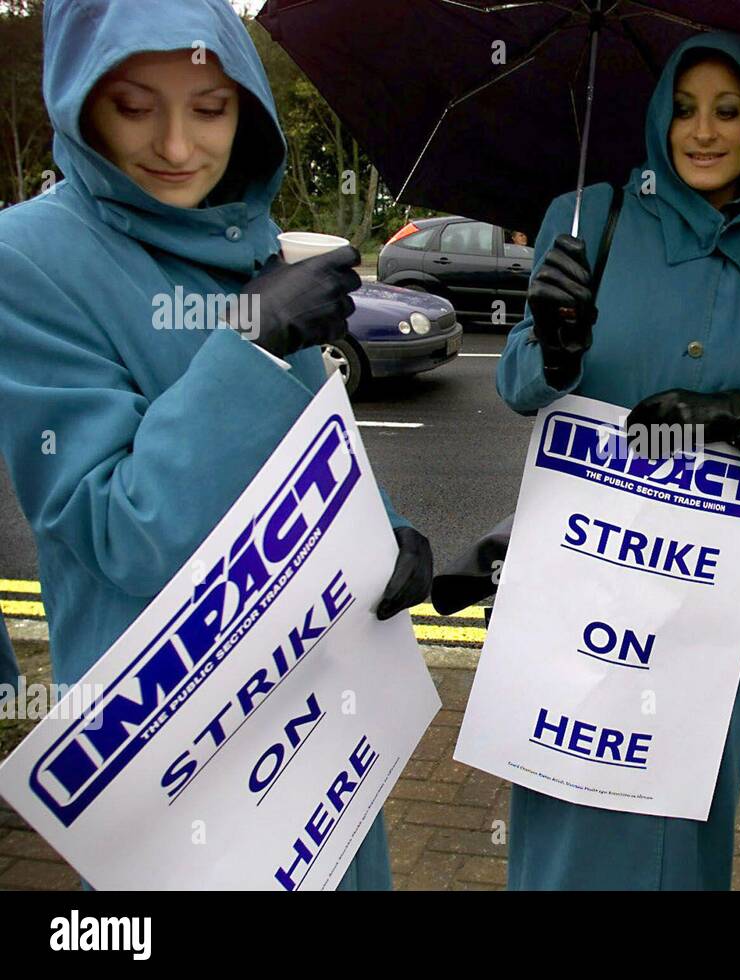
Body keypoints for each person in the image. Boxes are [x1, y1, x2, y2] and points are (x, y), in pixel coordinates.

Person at [0, 0, 434, 889]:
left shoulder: (246, 237)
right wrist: (243, 343)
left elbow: (309, 444)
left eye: (209, 108)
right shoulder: (28, 256)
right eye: (133, 106)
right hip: (179, 740)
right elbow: (117, 524)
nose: (175, 146)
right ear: (78, 102)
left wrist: (386, 540)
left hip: (321, 727)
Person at [496, 32, 740, 890]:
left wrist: (737, 418)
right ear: (659, 119)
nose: (703, 131)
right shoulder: (589, 219)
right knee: (570, 811)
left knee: (684, 825)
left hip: (709, 605)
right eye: (686, 109)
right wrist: (551, 343)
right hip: (584, 590)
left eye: (727, 111)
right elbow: (517, 384)